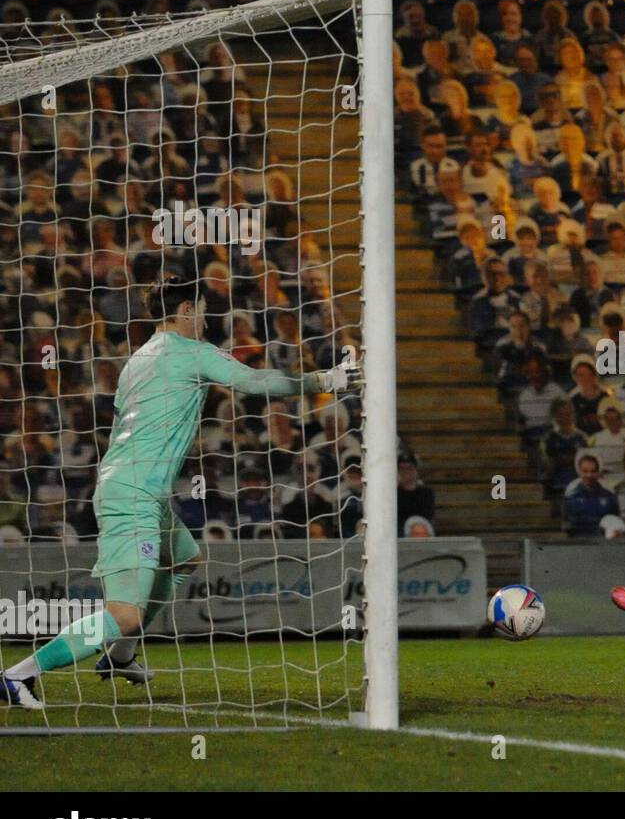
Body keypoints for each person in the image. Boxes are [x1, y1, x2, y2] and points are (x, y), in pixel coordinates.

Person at [3, 273, 360, 709]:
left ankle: (120, 655)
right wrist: (325, 380)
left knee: (184, 559)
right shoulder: (192, 352)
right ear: (187, 310)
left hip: (134, 486)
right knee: (124, 614)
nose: (206, 322)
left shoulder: (138, 359)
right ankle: (19, 675)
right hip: (133, 493)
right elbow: (256, 382)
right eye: (203, 312)